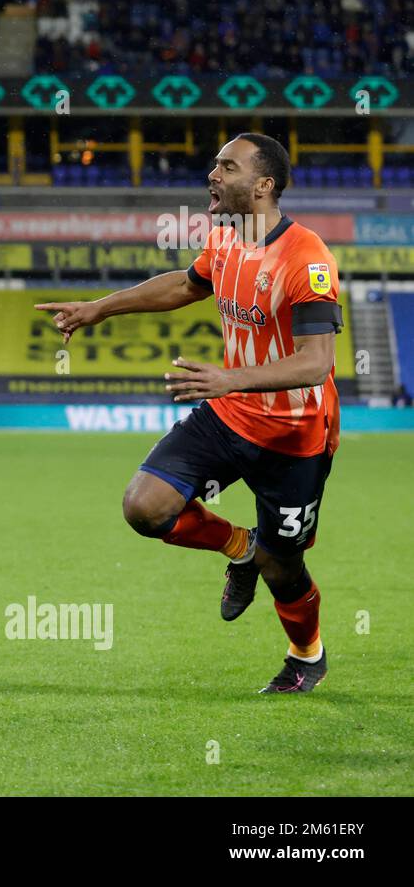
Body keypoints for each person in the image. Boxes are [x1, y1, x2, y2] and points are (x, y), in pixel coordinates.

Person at [35, 133, 341, 694]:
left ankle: (306, 655)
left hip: (296, 436)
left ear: (264, 185)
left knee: (285, 569)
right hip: (230, 414)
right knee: (144, 507)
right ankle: (241, 547)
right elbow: (183, 284)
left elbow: (317, 363)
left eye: (229, 167)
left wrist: (231, 378)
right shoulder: (224, 239)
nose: (214, 175)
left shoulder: (307, 257)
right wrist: (99, 309)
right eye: (215, 165)